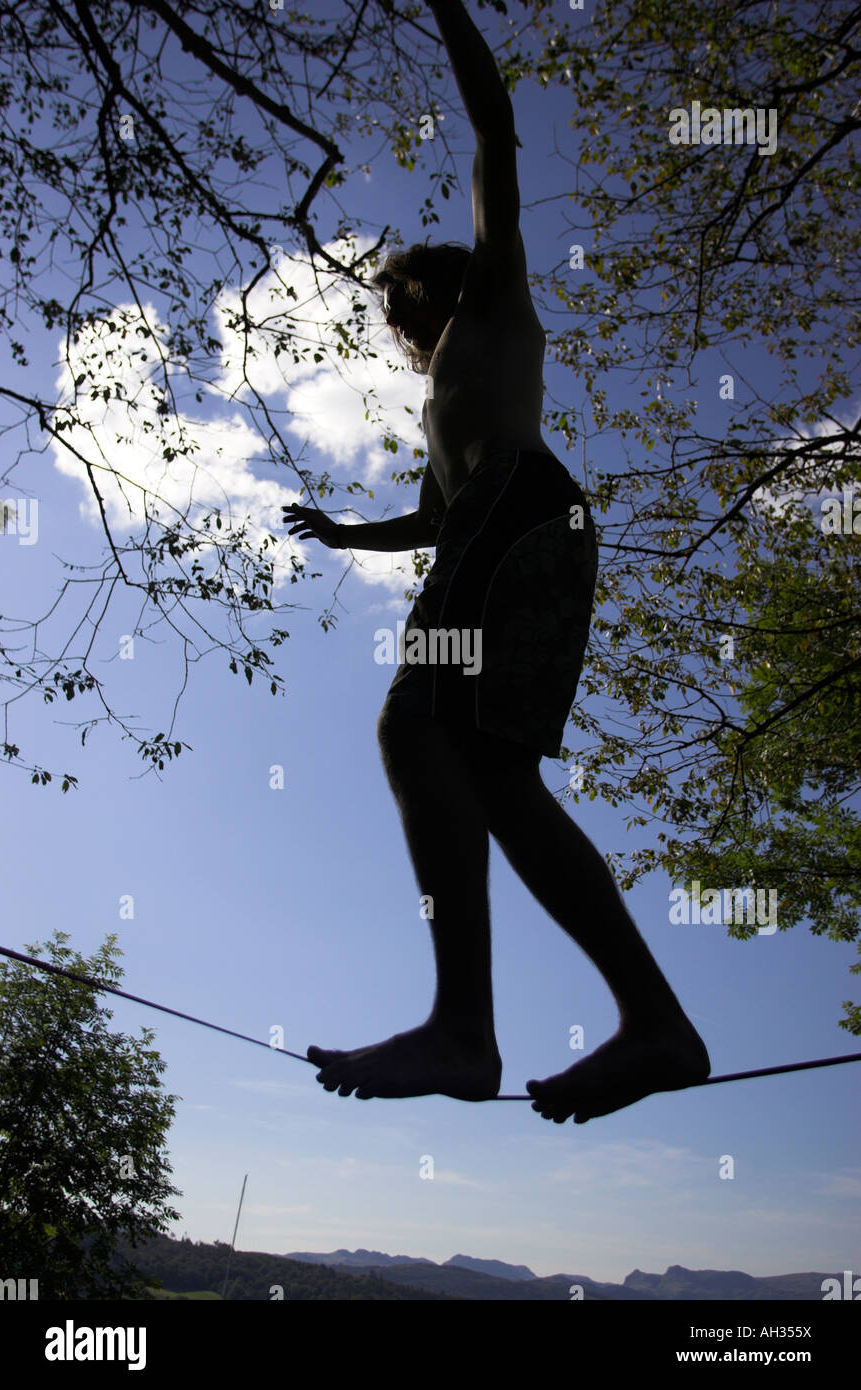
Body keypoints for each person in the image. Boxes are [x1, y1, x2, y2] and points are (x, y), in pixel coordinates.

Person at [282, 0, 709, 1123]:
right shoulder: (441, 401)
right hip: (520, 531)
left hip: (517, 515)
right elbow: (430, 524)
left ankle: (464, 1027)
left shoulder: (493, 295)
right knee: (492, 772)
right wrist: (343, 535)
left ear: (430, 286)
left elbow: (490, 130)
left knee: (411, 725)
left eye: (400, 306)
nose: (401, 327)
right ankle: (654, 1022)